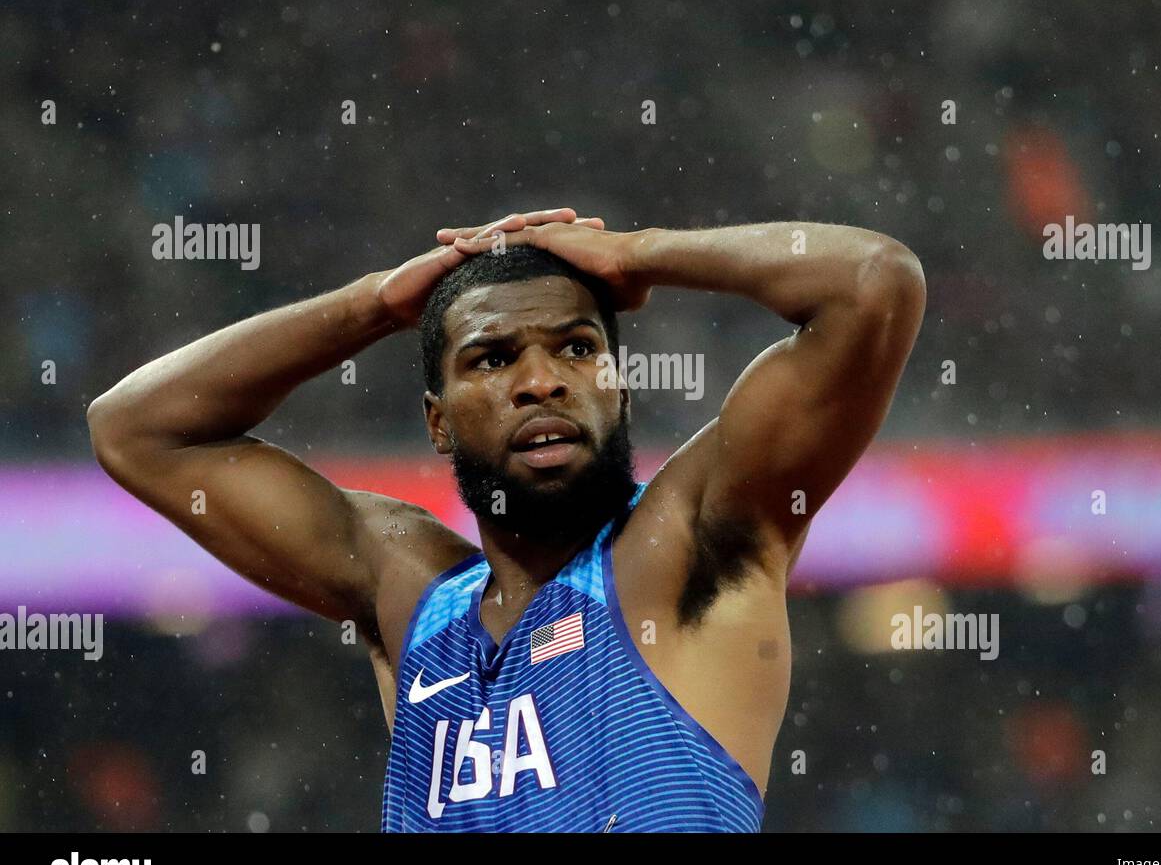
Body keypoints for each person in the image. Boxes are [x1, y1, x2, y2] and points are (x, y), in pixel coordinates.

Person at [87, 208, 925, 831]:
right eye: (492, 359)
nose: (542, 381)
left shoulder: (690, 546)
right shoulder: (412, 597)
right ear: (438, 421)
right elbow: (137, 428)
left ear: (619, 385)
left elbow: (871, 283)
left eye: (577, 348)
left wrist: (641, 254)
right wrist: (374, 306)